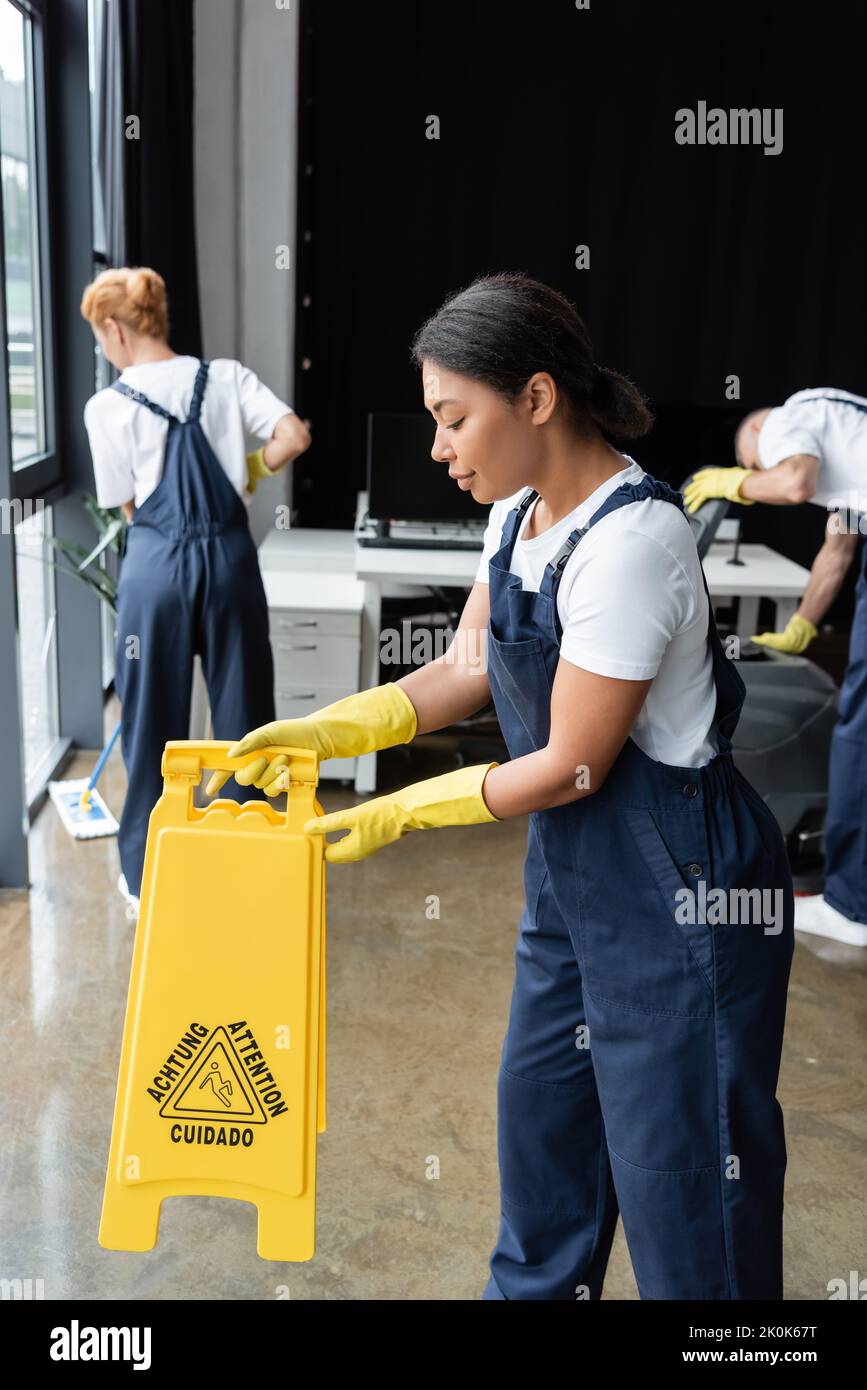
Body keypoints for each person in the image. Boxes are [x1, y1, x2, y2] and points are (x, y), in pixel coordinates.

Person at [208, 274, 795, 1300]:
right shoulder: (515, 516)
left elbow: (574, 760)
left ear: (534, 398)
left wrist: (396, 811)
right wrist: (327, 728)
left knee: (686, 1188)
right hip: (571, 892)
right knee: (546, 1146)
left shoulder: (633, 541)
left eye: (455, 418)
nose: (440, 447)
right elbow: (466, 667)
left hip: (682, 898)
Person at [80, 265, 311, 918]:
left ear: (115, 329)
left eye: (99, 338)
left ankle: (146, 874)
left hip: (156, 566)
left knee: (151, 717)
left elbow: (124, 506)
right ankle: (248, 864)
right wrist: (247, 472)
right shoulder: (226, 376)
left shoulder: (108, 406)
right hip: (232, 559)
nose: (102, 349)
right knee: (245, 717)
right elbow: (294, 435)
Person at [685, 389, 867, 946]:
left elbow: (793, 483)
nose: (753, 470)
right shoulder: (854, 456)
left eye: (751, 460)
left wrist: (731, 481)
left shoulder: (795, 415)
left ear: (759, 430)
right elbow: (838, 552)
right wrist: (802, 627)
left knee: (860, 727)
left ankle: (850, 910)